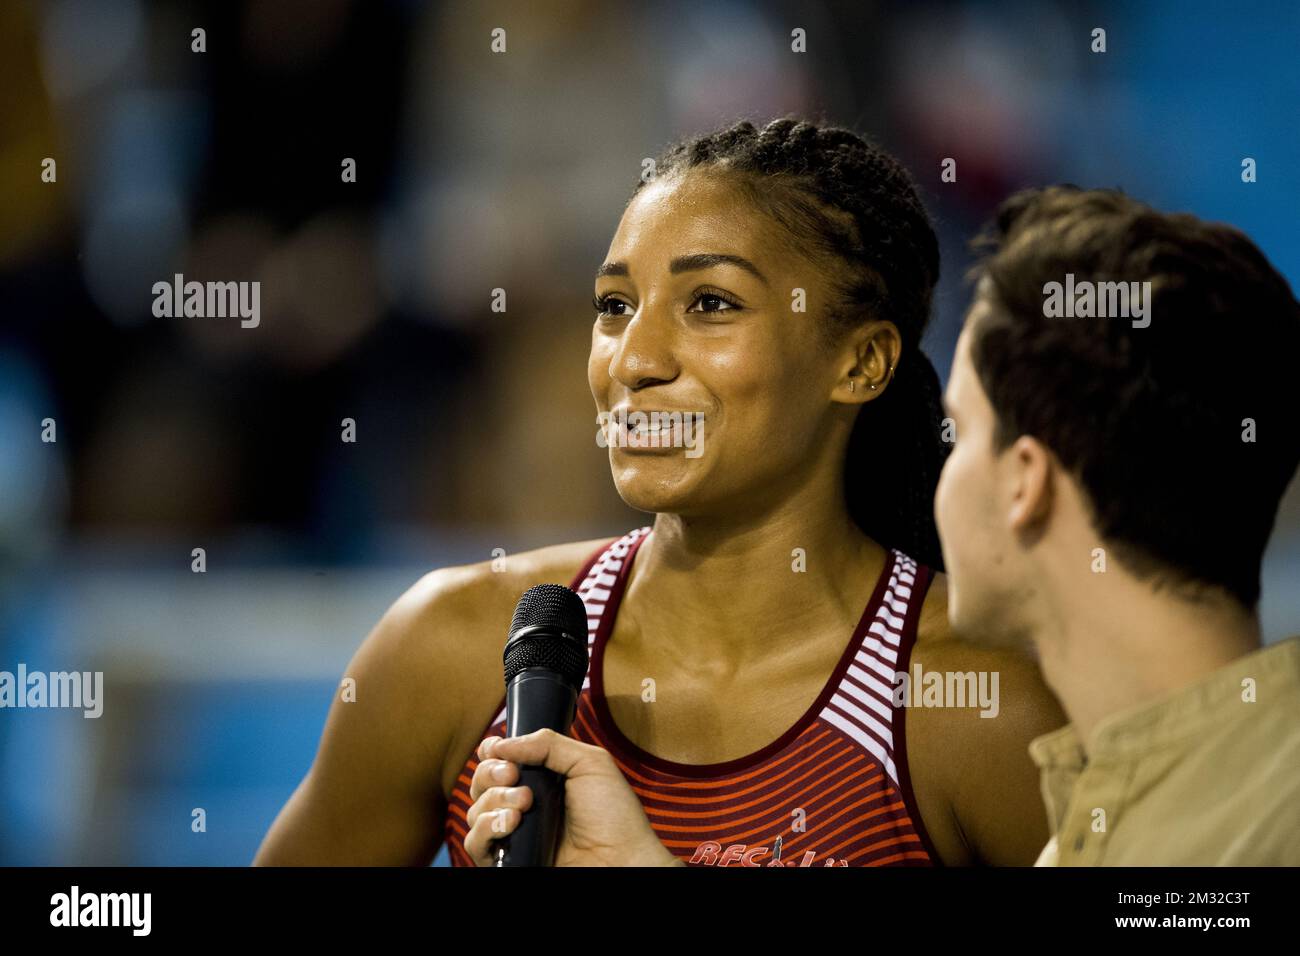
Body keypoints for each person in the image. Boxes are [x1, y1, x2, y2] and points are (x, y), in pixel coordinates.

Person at [253, 117, 1066, 867]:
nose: (634, 359)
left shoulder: (980, 704)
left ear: (861, 363)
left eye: (710, 304)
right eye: (614, 306)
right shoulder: (451, 645)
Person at [468, 185, 1300, 866]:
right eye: (613, 303)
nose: (934, 472)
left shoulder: (1221, 844)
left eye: (961, 433)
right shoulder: (1129, 818)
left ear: (1025, 483)